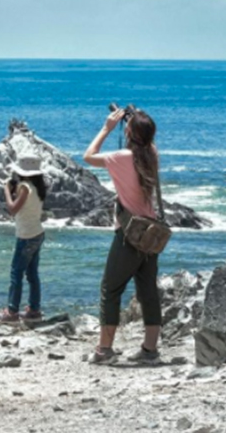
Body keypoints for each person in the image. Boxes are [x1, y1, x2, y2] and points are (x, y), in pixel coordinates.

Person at [83, 105, 162, 364]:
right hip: (151, 233)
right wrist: (134, 119)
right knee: (148, 290)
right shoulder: (152, 154)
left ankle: (104, 350)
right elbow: (144, 140)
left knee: (110, 289)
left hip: (129, 234)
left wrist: (107, 128)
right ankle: (150, 349)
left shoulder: (120, 158)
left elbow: (89, 156)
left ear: (129, 132)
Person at [0, 156, 47, 323]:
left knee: (16, 273)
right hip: (37, 233)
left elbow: (13, 209)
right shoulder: (38, 187)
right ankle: (34, 309)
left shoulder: (24, 187)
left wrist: (6, 190)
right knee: (32, 274)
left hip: (26, 236)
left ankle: (12, 311)